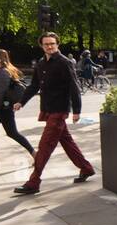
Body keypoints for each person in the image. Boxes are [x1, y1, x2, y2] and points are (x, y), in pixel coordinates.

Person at [12, 32, 95, 196]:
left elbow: (74, 86)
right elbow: (34, 85)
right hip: (48, 108)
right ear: (42, 46)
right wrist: (21, 101)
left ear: (57, 44)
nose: (49, 46)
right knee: (66, 141)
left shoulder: (64, 62)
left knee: (44, 146)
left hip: (59, 110)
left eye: (52, 43)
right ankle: (86, 168)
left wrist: (76, 111)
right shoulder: (41, 63)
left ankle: (33, 182)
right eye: (46, 44)